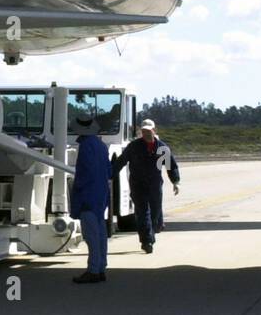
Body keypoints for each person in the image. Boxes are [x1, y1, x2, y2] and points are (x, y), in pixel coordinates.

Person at [111, 118, 180, 254]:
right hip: (138, 185)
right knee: (142, 213)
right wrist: (109, 175)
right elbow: (121, 162)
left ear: (154, 131)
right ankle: (146, 241)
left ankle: (154, 231)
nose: (146, 133)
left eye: (149, 131)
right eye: (144, 131)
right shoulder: (134, 147)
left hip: (155, 185)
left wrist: (176, 182)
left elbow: (170, 166)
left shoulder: (162, 148)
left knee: (155, 212)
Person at [69, 117, 111, 284]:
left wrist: (77, 191)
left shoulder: (86, 146)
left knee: (91, 236)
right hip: (100, 195)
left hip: (88, 195)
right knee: (100, 235)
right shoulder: (101, 145)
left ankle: (93, 270)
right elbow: (108, 171)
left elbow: (85, 173)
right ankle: (101, 268)